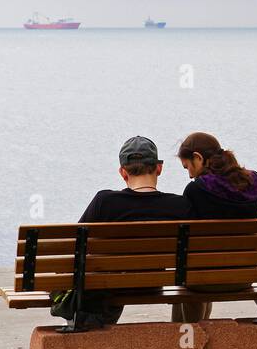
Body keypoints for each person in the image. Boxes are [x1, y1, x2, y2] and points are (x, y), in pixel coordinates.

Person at [51, 136, 192, 329]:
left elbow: (75, 244)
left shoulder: (105, 201)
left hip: (113, 285)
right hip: (153, 283)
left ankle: (87, 333)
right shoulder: (179, 205)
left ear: (123, 172)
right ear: (159, 168)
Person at [174, 132, 257, 322]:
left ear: (198, 158)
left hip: (205, 280)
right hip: (245, 276)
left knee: (190, 278)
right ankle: (198, 336)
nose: (190, 175)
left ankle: (182, 344)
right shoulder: (255, 183)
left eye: (187, 167)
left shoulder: (196, 190)